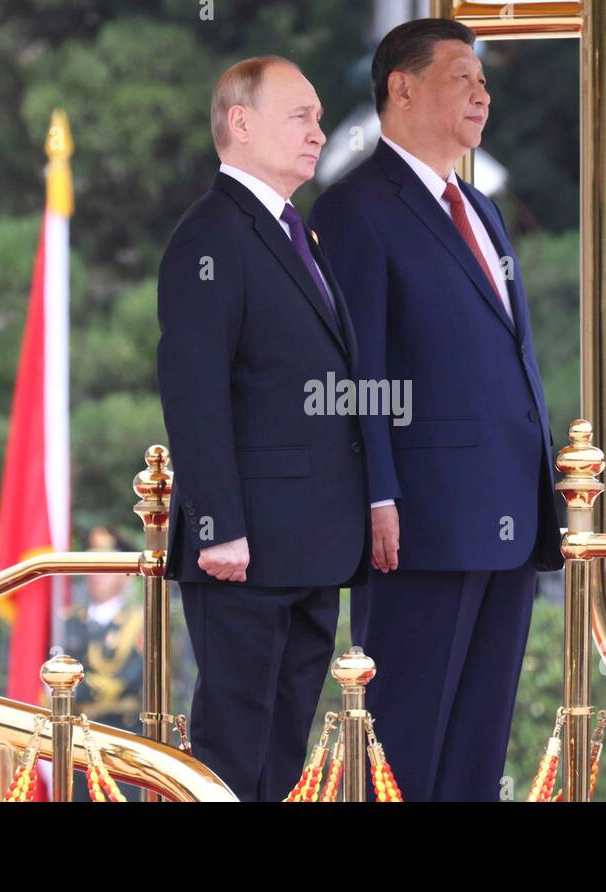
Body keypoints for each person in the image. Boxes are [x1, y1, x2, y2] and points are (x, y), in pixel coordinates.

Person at [309, 19, 562, 801]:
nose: (482, 91)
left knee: (478, 747)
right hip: (418, 520)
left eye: (484, 79)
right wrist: (377, 491)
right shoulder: (357, 208)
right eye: (461, 75)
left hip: (507, 510)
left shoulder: (482, 210)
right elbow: (357, 371)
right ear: (403, 87)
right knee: (406, 742)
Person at [156, 56, 370, 802]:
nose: (318, 132)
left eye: (317, 117)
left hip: (311, 545)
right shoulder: (212, 234)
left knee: (281, 755)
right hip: (245, 551)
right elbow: (194, 390)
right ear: (240, 123)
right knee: (232, 755)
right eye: (300, 116)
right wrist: (217, 526)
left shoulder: (292, 234)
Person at [60, 526, 146, 802]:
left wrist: (76, 688)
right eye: (91, 564)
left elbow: (131, 678)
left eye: (105, 565)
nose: (95, 574)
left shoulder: (140, 622)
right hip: (75, 744)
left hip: (122, 743)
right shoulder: (69, 621)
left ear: (124, 574)